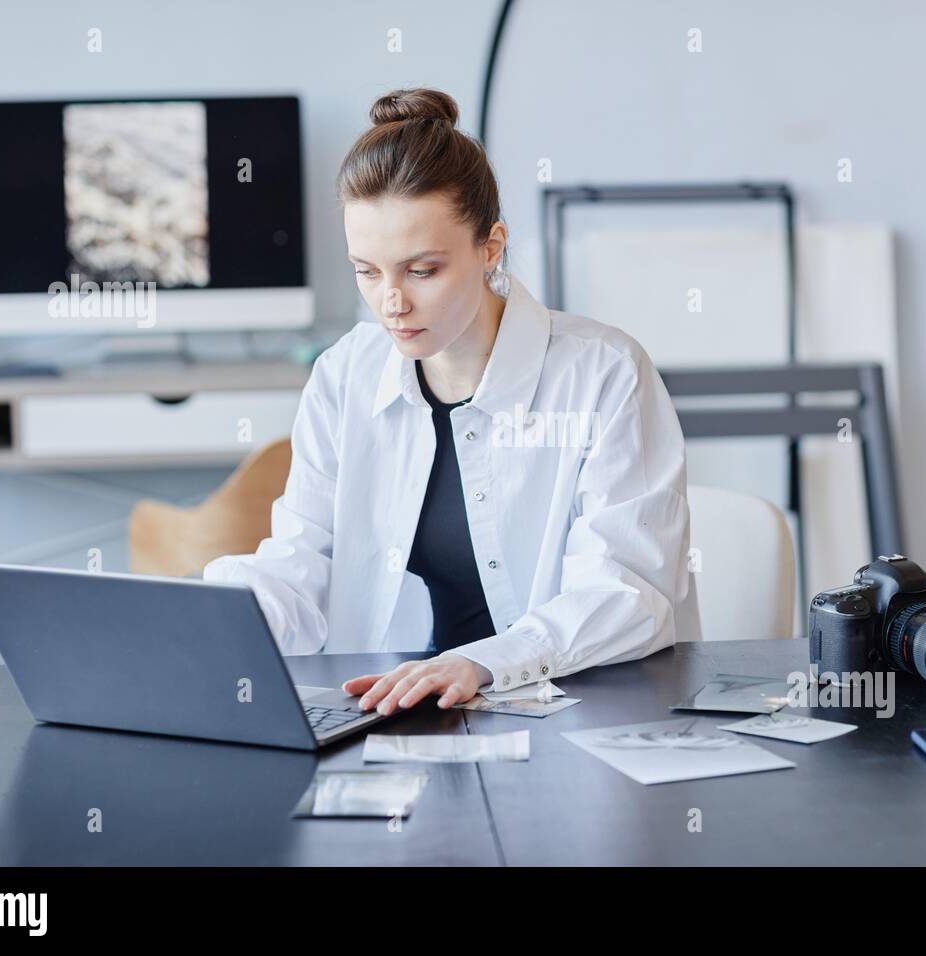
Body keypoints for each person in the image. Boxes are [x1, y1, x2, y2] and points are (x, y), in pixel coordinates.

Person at [203, 87, 700, 715]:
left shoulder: (605, 374)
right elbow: (305, 565)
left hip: (575, 710)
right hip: (396, 711)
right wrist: (213, 618)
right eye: (367, 270)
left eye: (422, 270)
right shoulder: (343, 377)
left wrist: (485, 662)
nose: (391, 303)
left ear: (491, 247)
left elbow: (627, 592)